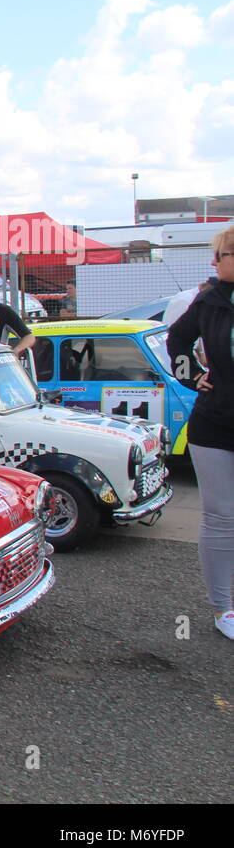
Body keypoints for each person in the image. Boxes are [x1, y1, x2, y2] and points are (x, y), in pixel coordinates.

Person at [167, 226, 234, 640]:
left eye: (219, 254)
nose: (212, 261)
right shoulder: (208, 300)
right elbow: (175, 339)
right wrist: (193, 377)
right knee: (221, 516)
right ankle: (224, 608)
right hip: (215, 424)